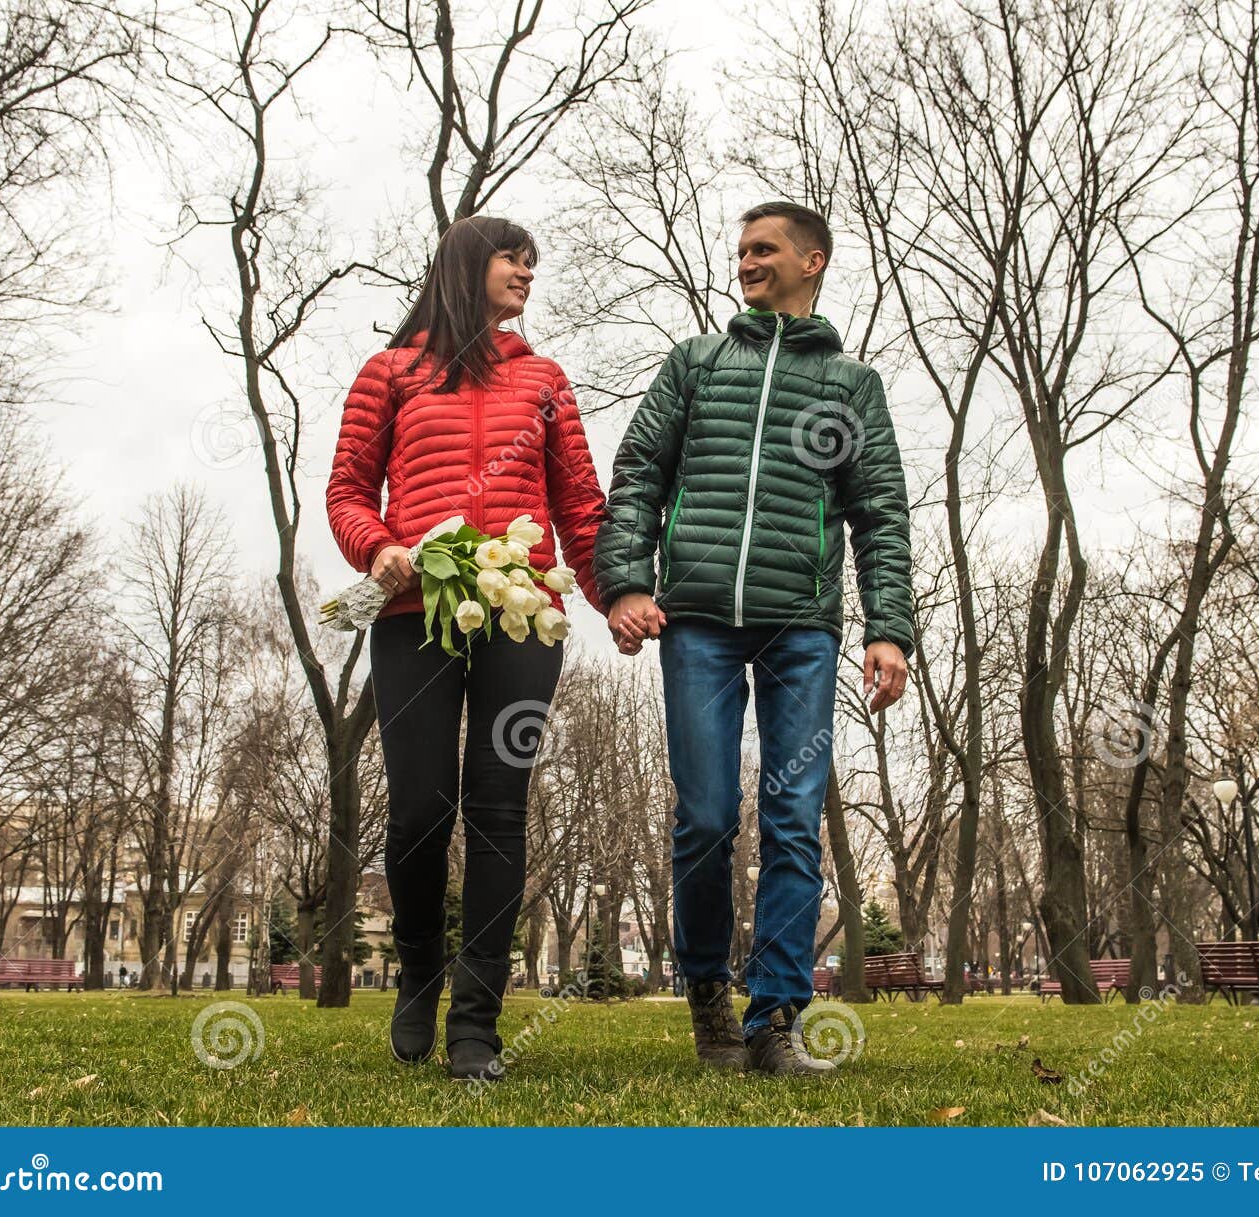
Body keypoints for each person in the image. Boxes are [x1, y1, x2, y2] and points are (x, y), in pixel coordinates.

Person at [595, 201, 914, 1076]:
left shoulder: (852, 386)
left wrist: (889, 629)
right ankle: (707, 994)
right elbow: (638, 476)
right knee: (703, 816)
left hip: (800, 628)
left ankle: (775, 1017)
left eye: (764, 249)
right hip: (696, 620)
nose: (747, 261)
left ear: (812, 260)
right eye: (740, 250)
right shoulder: (696, 362)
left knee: (793, 818)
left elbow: (880, 513)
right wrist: (624, 579)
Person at [327, 215, 607, 1083]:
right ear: (464, 263)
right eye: (512, 257)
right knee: (417, 809)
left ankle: (476, 1024)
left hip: (521, 618)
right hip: (416, 613)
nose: (526, 271)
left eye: (533, 262)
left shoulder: (546, 380)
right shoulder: (391, 373)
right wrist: (376, 546)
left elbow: (581, 505)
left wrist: (618, 597)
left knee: (498, 808)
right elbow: (345, 490)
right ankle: (419, 971)